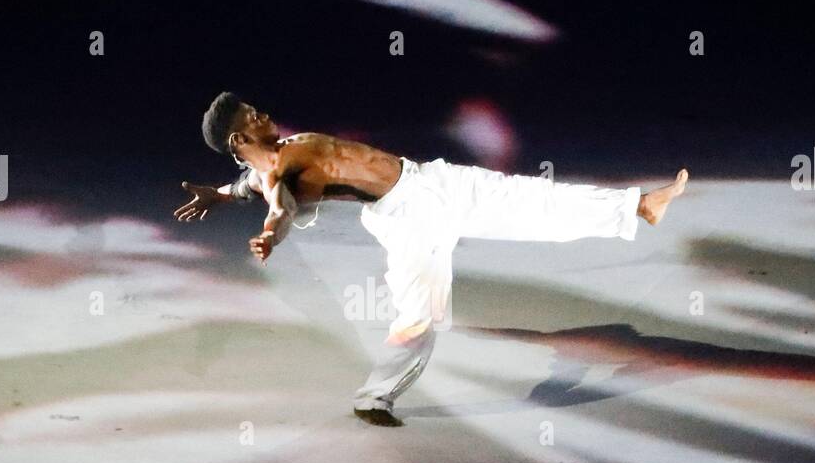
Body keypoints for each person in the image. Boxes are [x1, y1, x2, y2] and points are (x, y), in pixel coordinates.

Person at [176, 92, 688, 427]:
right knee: (421, 314)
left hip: (430, 182)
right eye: (253, 117)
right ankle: (374, 397)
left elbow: (248, 183)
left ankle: (639, 206)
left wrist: (219, 194)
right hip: (405, 218)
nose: (264, 113)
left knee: (529, 199)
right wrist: (270, 237)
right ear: (239, 138)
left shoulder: (279, 152)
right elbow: (278, 205)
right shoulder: (281, 169)